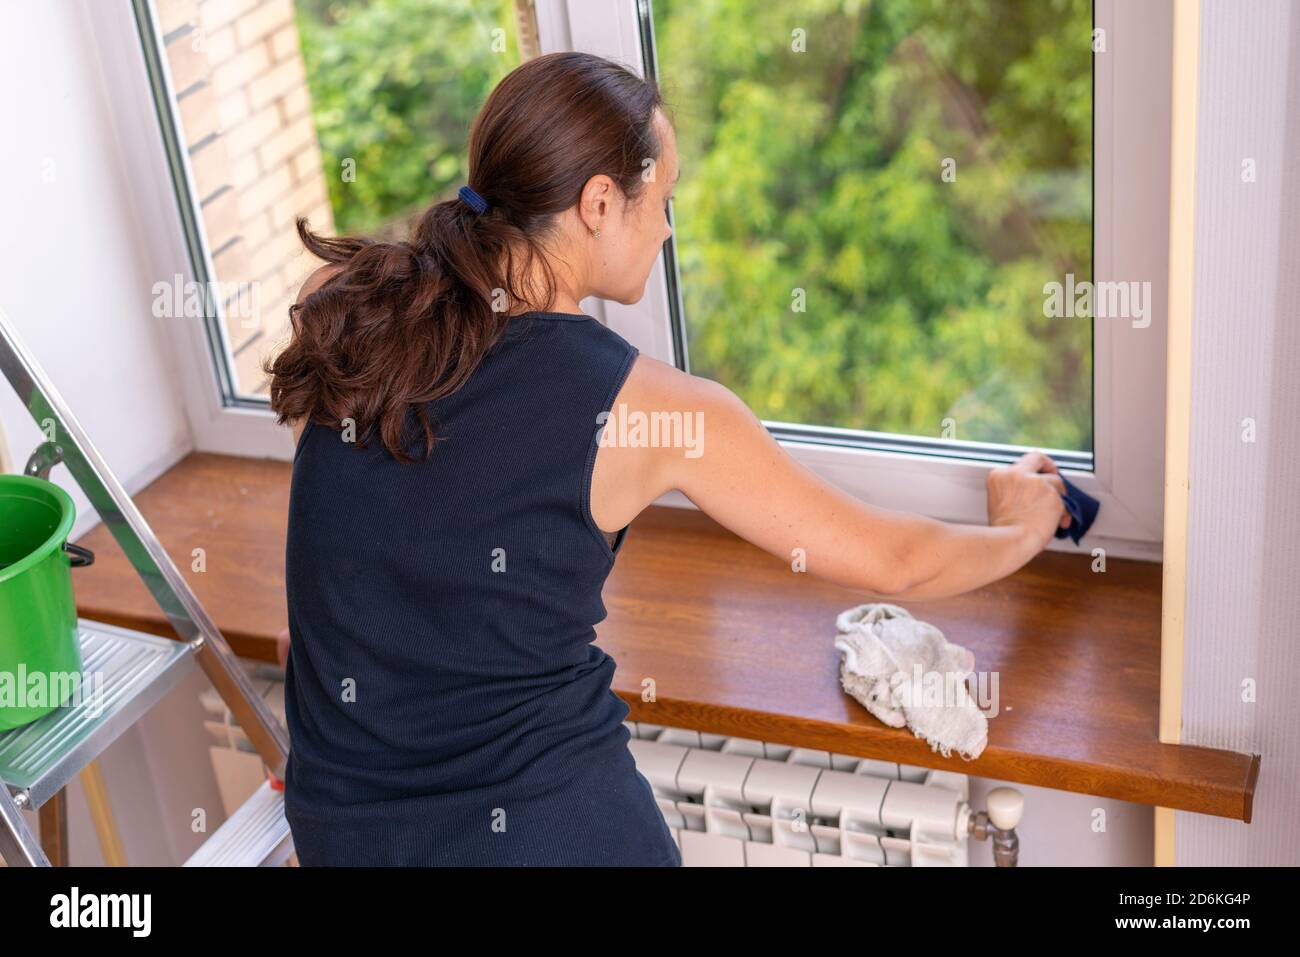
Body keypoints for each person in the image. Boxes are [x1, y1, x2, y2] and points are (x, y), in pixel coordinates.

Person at [264, 50, 1070, 867]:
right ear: (600, 202)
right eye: (663, 199)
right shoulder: (651, 408)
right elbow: (893, 562)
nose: (669, 227)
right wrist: (1021, 532)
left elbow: (327, 595)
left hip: (342, 835)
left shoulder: (362, 334)